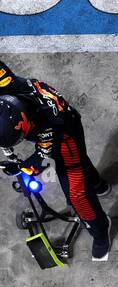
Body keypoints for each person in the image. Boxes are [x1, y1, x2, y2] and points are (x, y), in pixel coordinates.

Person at [0, 59, 111, 259]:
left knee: (77, 194)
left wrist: (20, 168)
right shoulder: (6, 84)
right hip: (45, 125)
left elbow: (41, 160)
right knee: (83, 169)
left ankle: (101, 231)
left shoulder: (51, 124)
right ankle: (97, 183)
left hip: (65, 135)